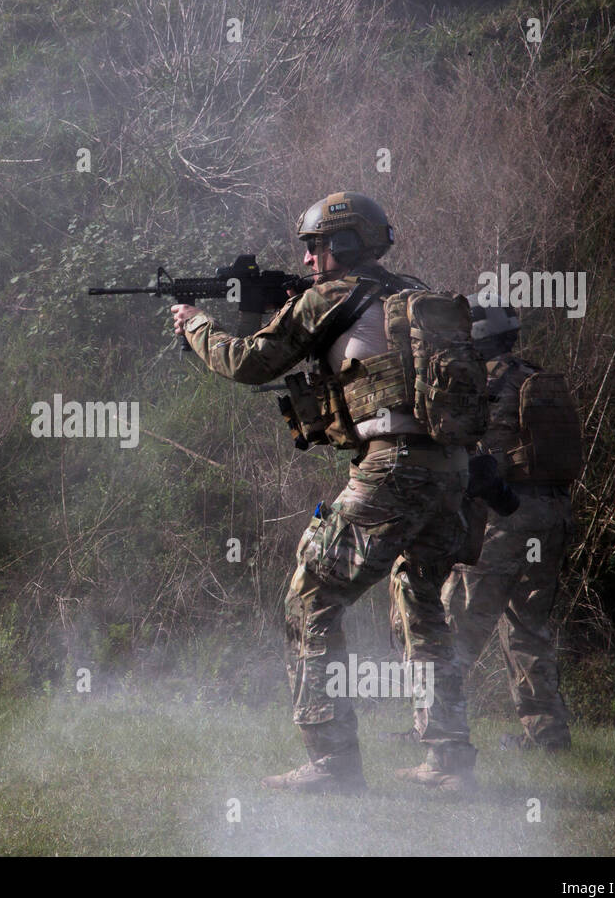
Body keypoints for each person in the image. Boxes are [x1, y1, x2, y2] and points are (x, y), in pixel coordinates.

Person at [171, 191, 481, 793]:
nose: (310, 260)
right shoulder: (406, 292)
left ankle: (332, 764)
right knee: (422, 606)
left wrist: (196, 326)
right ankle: (449, 762)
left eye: (316, 247)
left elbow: (249, 363)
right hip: (451, 471)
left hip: (391, 468)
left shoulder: (329, 298)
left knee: (309, 597)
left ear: (343, 244)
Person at [387, 299, 580, 750]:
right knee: (527, 626)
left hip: (505, 517)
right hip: (553, 515)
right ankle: (547, 734)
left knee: (453, 626)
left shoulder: (486, 380)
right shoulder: (533, 376)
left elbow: (461, 444)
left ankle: (433, 730)